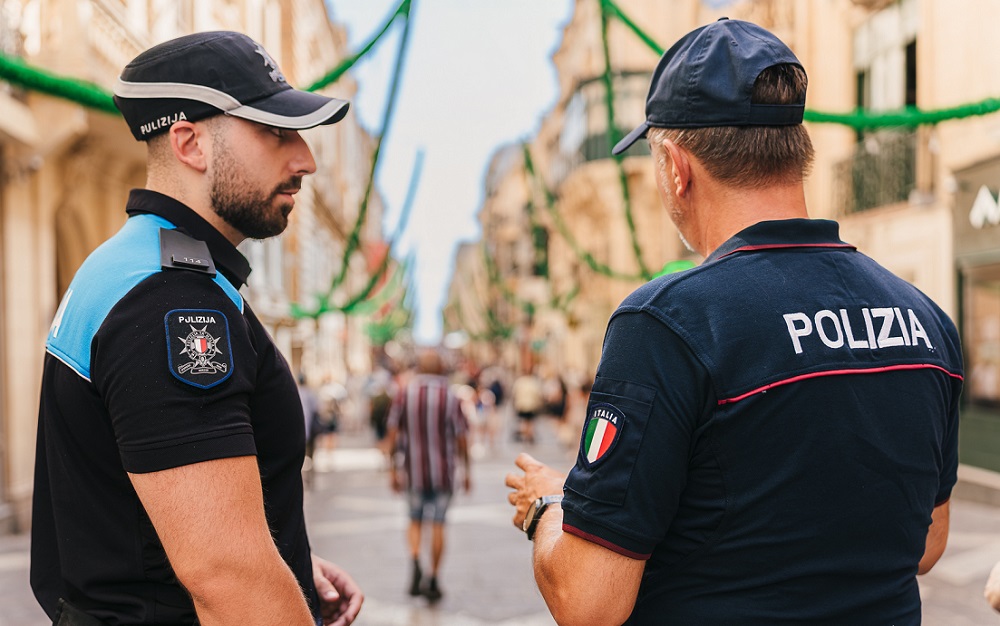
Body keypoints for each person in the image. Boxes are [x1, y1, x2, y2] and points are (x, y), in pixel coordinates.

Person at [505, 18, 962, 625]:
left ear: (675, 166)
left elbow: (589, 602)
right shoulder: (924, 318)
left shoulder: (667, 323)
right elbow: (927, 543)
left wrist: (549, 508)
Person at [31, 31, 362, 626]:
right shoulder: (171, 302)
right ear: (190, 143)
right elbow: (226, 578)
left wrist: (286, 557)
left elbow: (146, 518)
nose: (305, 160)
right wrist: (258, 576)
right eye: (275, 132)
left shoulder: (139, 265)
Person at [386, 349, 471, 603]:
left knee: (414, 519)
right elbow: (461, 437)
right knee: (438, 524)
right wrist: (467, 469)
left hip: (413, 471)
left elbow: (393, 431)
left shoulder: (404, 394)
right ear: (441, 369)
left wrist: (392, 468)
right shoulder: (451, 396)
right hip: (443, 473)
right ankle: (433, 577)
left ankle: (414, 561)